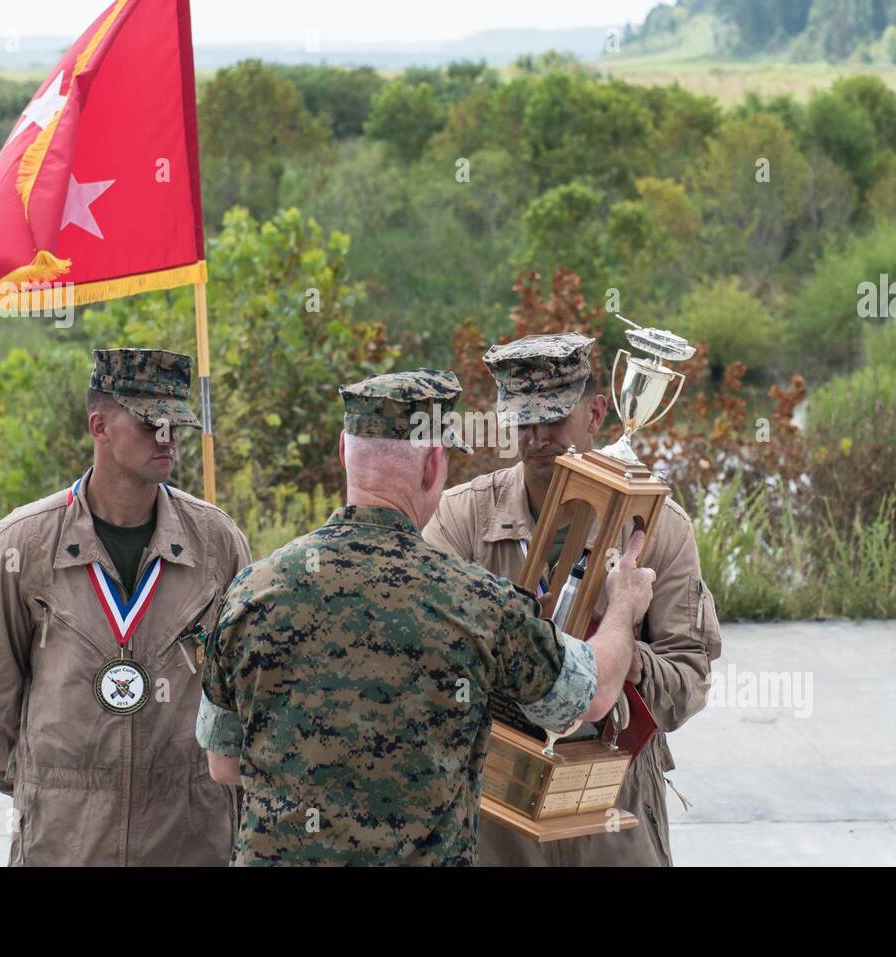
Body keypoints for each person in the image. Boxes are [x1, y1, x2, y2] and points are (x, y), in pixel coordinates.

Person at [195, 369, 656, 865]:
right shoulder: (480, 603)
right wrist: (624, 603)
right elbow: (594, 695)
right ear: (434, 464)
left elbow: (223, 763)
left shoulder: (253, 591)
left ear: (342, 453)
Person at [424, 333, 723, 866]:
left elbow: (689, 681)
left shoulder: (657, 528)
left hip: (614, 804)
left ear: (595, 413)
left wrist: (620, 656)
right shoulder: (463, 519)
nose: (537, 438)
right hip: (496, 806)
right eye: (522, 421)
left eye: (553, 419)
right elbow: (428, 663)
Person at [0, 348, 251, 866]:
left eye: (176, 425)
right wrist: (40, 781)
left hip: (188, 834)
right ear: (99, 426)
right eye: (150, 424)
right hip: (65, 840)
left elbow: (243, 680)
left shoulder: (215, 541)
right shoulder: (22, 544)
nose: (168, 439)